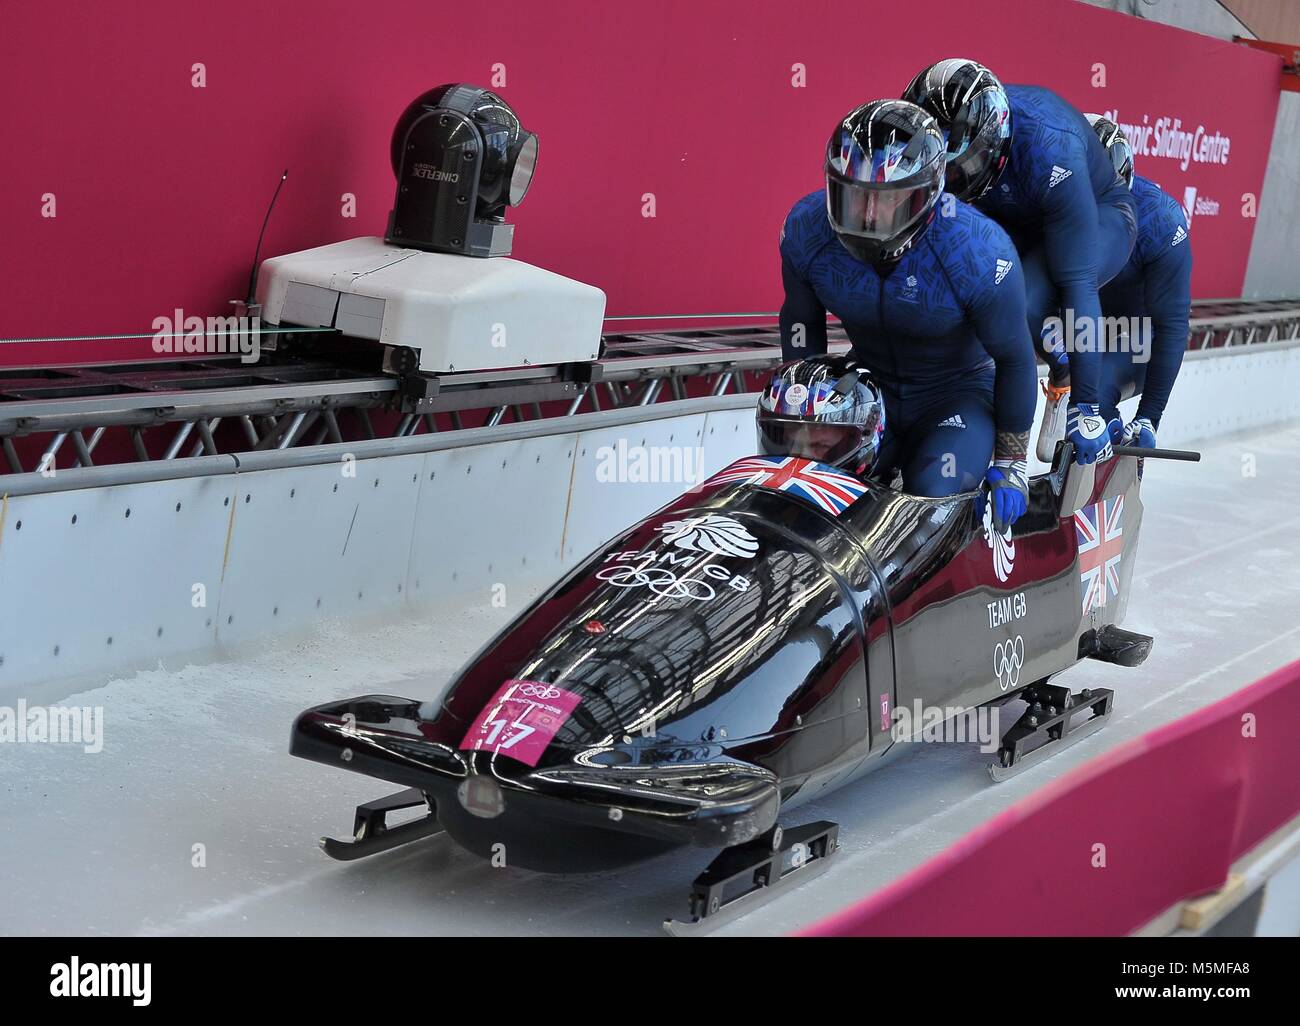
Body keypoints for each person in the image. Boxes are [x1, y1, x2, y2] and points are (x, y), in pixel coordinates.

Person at [778, 99, 1038, 530]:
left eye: (887, 201)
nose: (867, 215)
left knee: (933, 500)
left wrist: (1012, 460)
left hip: (954, 399)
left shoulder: (978, 250)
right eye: (851, 196)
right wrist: (803, 413)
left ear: (927, 196)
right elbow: (803, 327)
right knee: (803, 490)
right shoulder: (806, 230)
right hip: (865, 392)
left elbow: (1014, 358)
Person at [903, 59, 1138, 465]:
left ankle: (1065, 376)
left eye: (958, 171)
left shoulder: (1052, 147)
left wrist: (1088, 411)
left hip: (1097, 215)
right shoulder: (958, 138)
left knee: (1026, 304)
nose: (950, 184)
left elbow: (1079, 286)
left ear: (992, 143)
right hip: (1017, 207)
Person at [1081, 114, 1193, 450]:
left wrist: (1149, 416)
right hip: (1081, 316)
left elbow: (1171, 326)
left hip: (1136, 330)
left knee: (1093, 395)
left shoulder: (1161, 221)